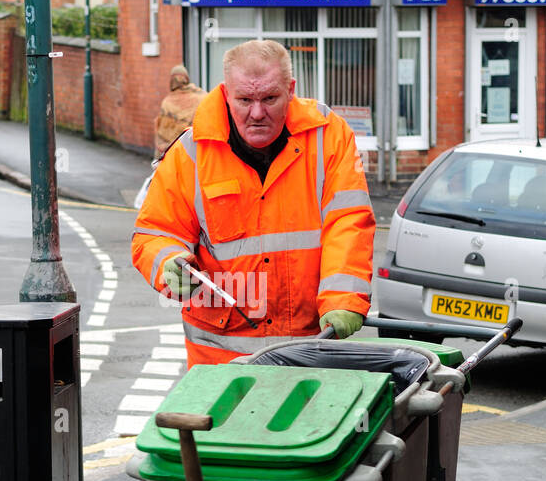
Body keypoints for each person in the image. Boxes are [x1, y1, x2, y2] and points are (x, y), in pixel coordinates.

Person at [132, 39, 375, 366]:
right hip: (220, 360)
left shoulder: (328, 136)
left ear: (291, 90)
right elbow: (155, 233)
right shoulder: (191, 153)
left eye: (270, 98)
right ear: (226, 92)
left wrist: (343, 298)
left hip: (310, 348)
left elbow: (348, 221)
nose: (257, 113)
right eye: (245, 99)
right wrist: (168, 263)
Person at [153, 64, 205, 159]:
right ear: (187, 78)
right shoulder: (201, 96)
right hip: (192, 148)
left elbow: (162, 130)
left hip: (171, 152)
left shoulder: (167, 102)